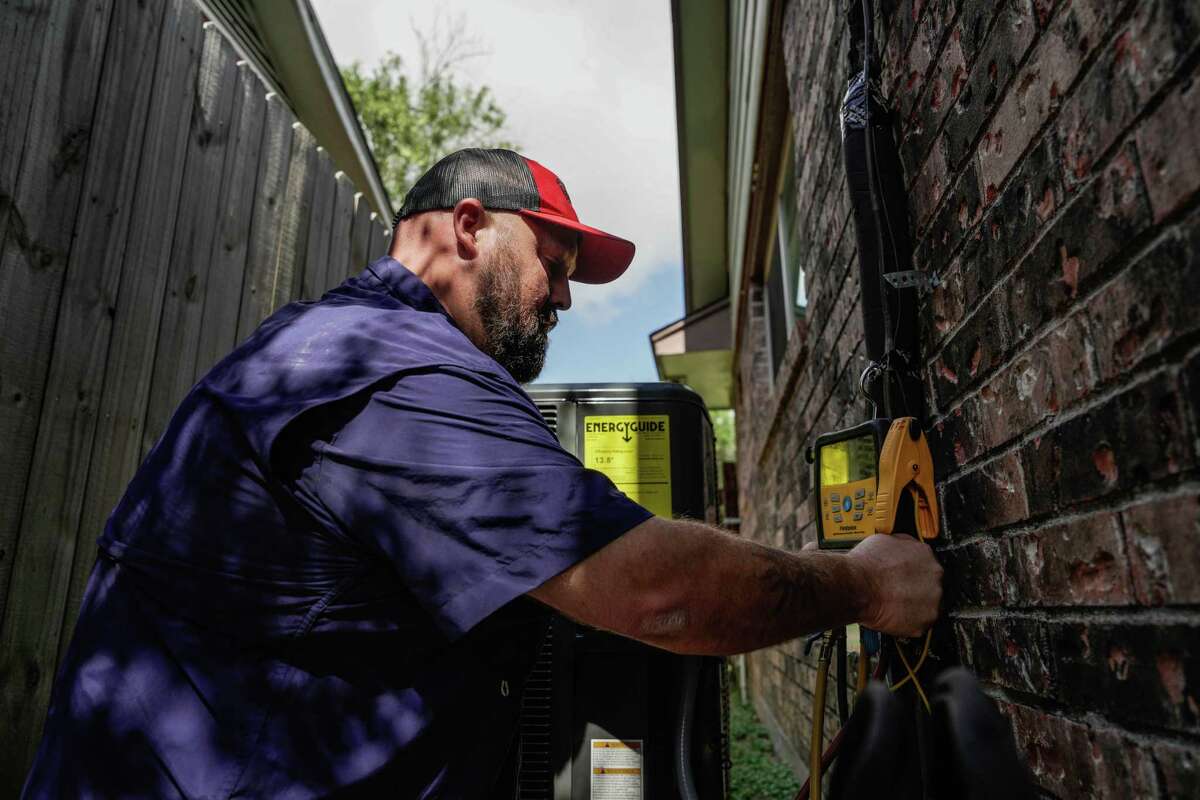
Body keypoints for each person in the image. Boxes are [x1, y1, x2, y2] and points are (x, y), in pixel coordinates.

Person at [23, 149, 942, 797]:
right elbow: (658, 594)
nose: (569, 297)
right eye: (554, 259)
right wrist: (863, 583)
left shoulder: (318, 344)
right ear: (468, 228)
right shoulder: (394, 373)